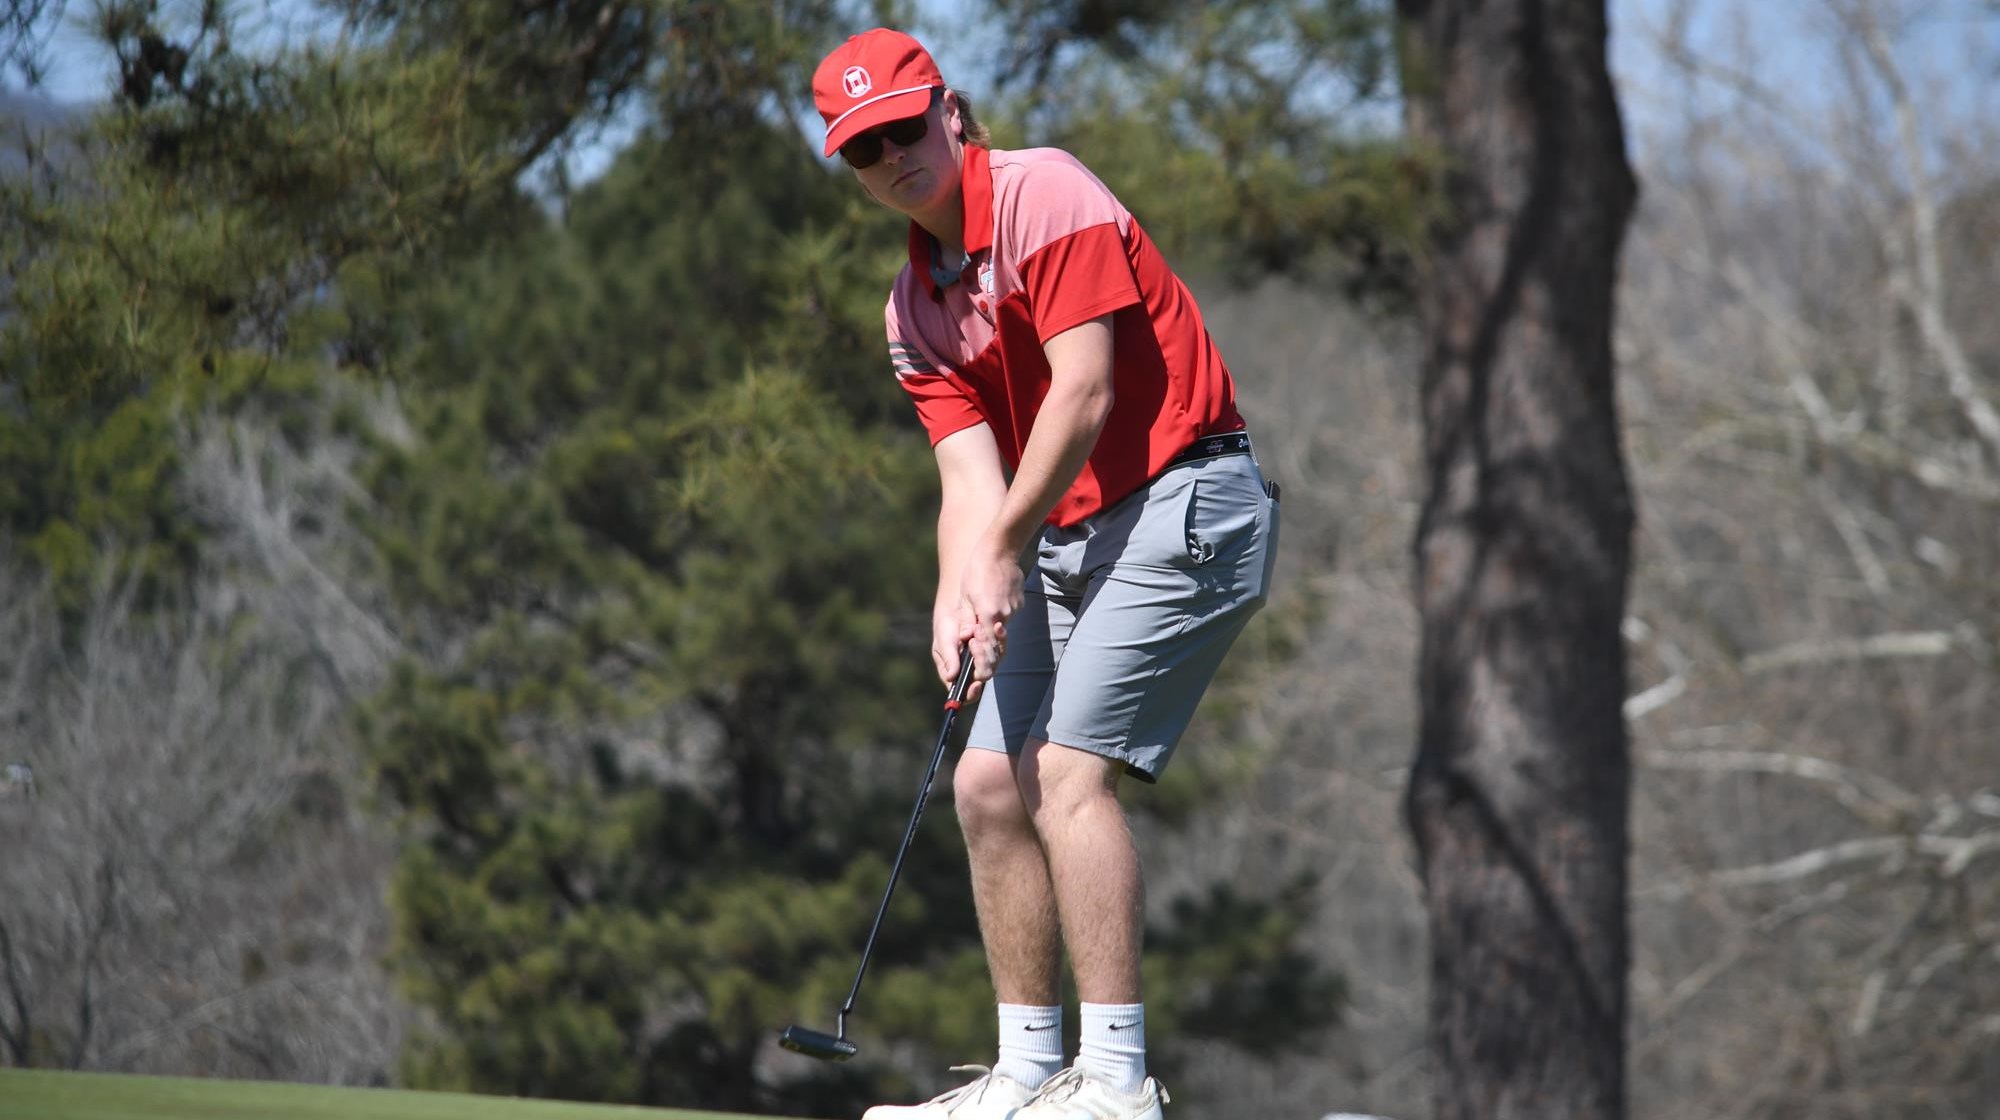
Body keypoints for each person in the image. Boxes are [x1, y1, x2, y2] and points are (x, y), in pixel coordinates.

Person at [811, 28, 1279, 1120]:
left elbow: (1083, 396)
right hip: (1063, 536)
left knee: (1065, 773)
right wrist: (959, 584)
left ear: (952, 113)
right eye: (861, 148)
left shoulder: (1044, 194)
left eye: (901, 126)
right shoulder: (911, 309)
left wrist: (1004, 547)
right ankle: (1023, 1075)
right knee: (984, 784)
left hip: (1188, 500)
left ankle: (1114, 1084)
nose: (889, 155)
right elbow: (967, 482)